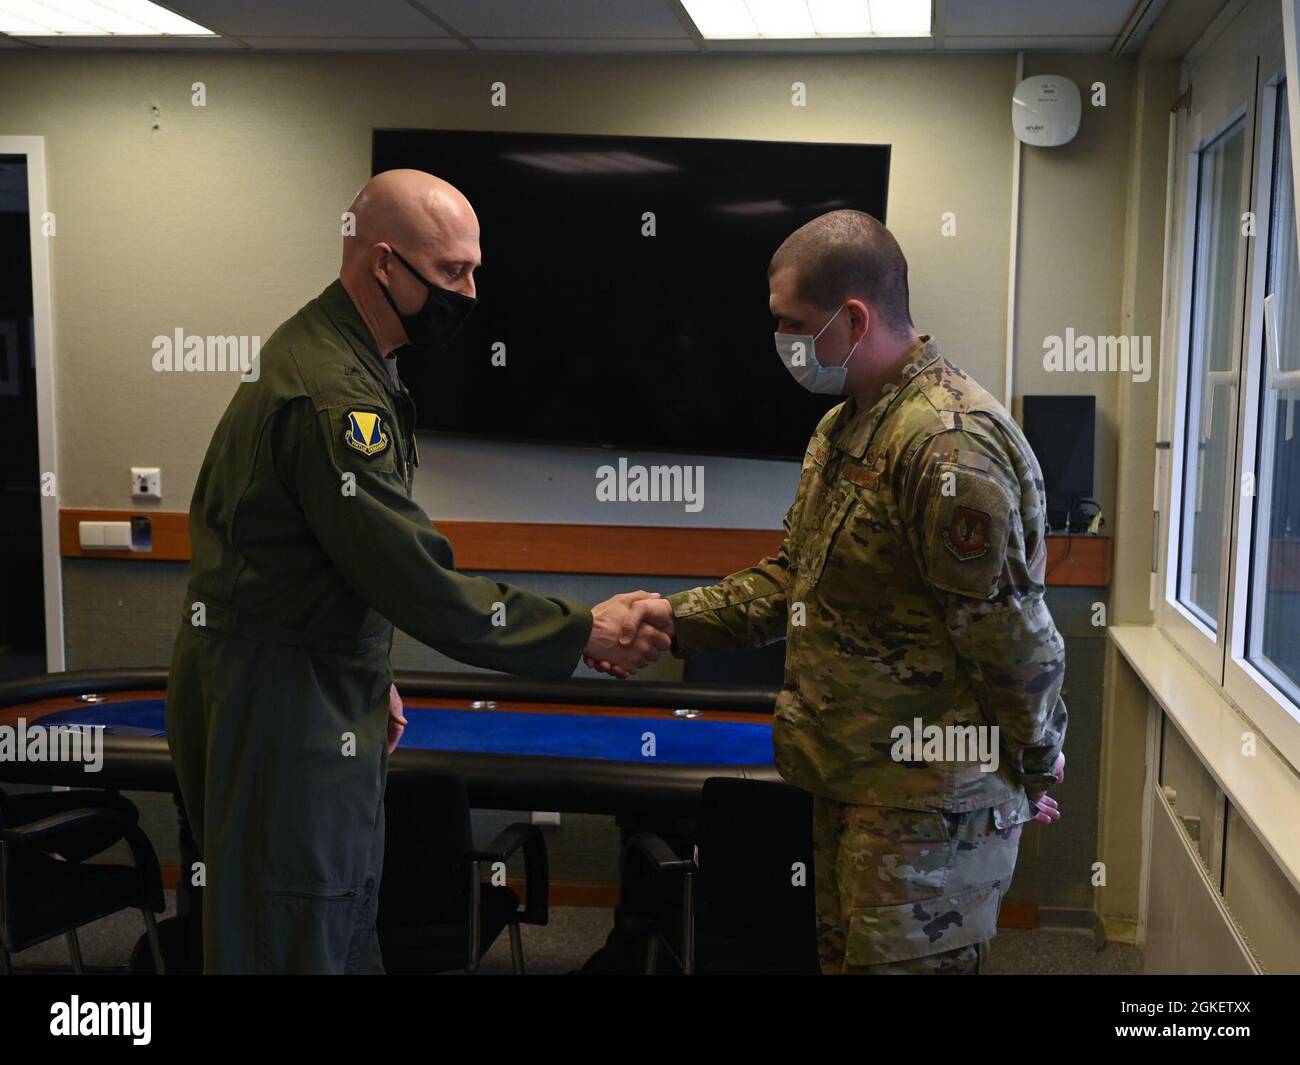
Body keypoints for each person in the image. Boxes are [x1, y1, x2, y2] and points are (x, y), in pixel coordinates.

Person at [166, 169, 671, 974]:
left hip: (313, 675)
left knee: (340, 916)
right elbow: (413, 576)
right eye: (450, 273)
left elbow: (313, 556)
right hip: (281, 702)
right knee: (292, 930)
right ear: (382, 264)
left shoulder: (347, 353)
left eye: (474, 269)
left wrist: (363, 663)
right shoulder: (337, 397)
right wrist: (583, 631)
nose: (469, 293)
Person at [591, 210, 1067, 974]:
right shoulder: (847, 427)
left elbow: (1011, 637)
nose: (782, 342)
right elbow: (796, 578)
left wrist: (1038, 759)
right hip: (850, 783)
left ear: (853, 317)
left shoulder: (949, 444)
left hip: (927, 813)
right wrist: (673, 616)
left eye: (793, 323)